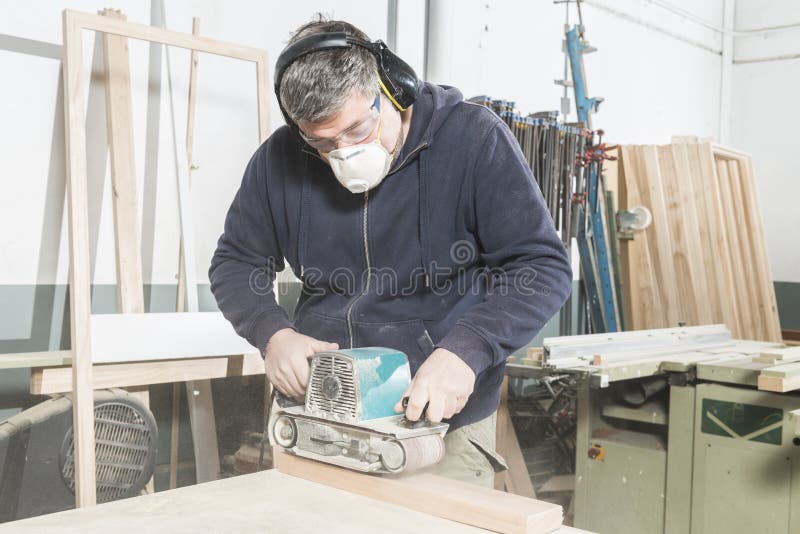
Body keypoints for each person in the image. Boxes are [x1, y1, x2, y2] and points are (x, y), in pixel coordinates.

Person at [209, 16, 572, 487]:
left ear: (392, 89)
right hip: (320, 410)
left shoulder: (472, 139)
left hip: (436, 419)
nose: (342, 153)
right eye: (320, 142)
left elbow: (540, 267)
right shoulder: (279, 158)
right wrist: (272, 332)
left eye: (357, 129)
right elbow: (236, 261)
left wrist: (467, 350)